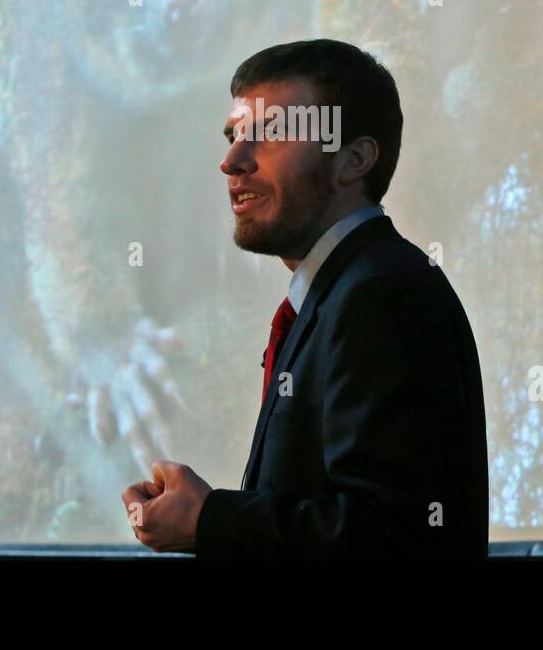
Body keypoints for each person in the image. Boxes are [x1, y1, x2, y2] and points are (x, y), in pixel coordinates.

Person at [120, 38, 488, 558]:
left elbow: (397, 533)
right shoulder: (341, 291)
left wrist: (212, 519)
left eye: (269, 133)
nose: (231, 161)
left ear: (353, 160)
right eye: (233, 136)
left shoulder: (384, 292)